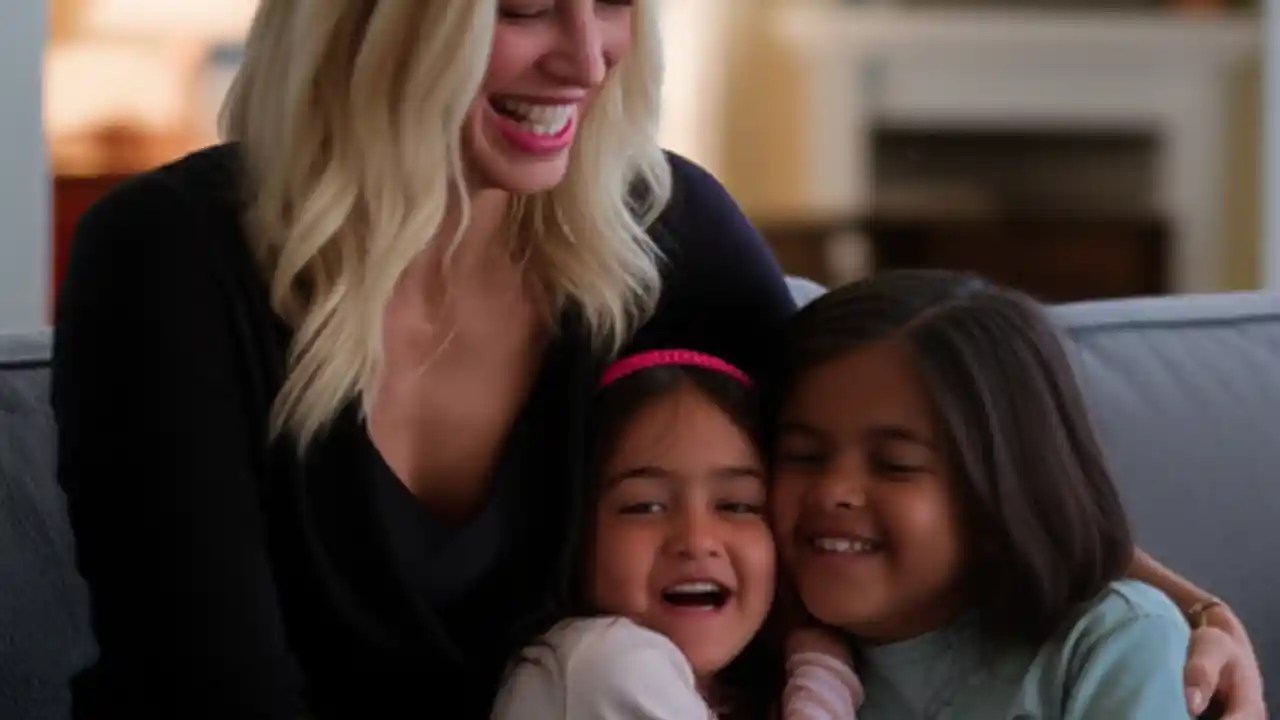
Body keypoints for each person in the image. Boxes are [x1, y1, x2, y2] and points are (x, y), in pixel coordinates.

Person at [50, 0, 1261, 717]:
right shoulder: (166, 259)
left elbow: (888, 447)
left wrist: (1187, 606)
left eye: (612, 1)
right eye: (523, 6)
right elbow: (208, 690)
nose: (587, 57)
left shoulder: (652, 225)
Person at [770, 271, 1256, 718]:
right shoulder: (759, 653)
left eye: (895, 465)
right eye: (802, 456)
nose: (833, 491)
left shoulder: (1110, 642)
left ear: (1002, 486)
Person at [490, 349, 863, 719]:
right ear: (576, 533)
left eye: (736, 506)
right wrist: (822, 667)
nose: (698, 540)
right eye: (644, 507)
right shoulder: (604, 664)